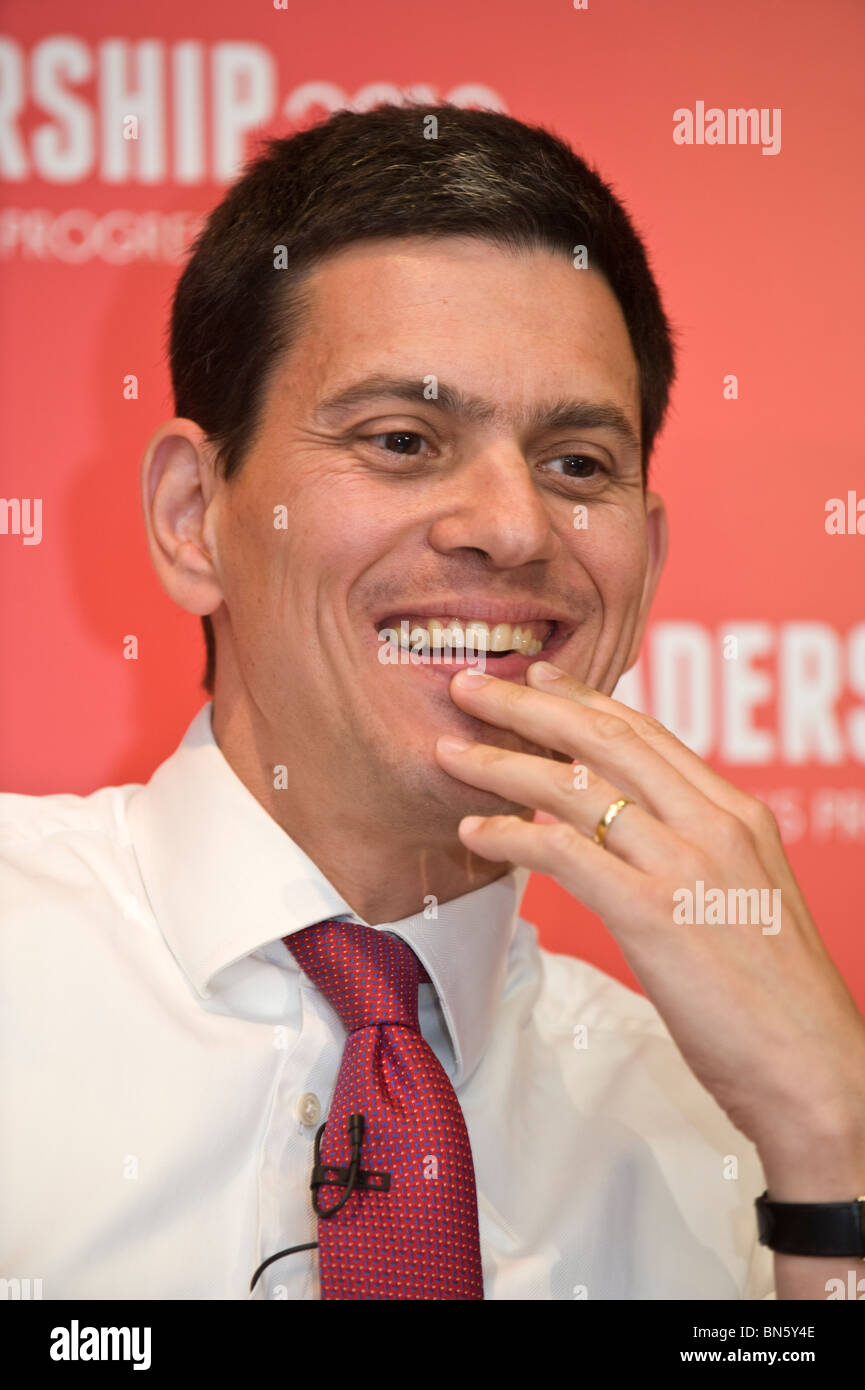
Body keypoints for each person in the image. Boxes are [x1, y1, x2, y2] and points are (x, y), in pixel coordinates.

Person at [2, 102, 863, 1302]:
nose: (513, 529)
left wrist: (830, 1140)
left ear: (648, 563)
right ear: (195, 516)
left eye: (576, 465)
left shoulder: (732, 1125)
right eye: (403, 439)